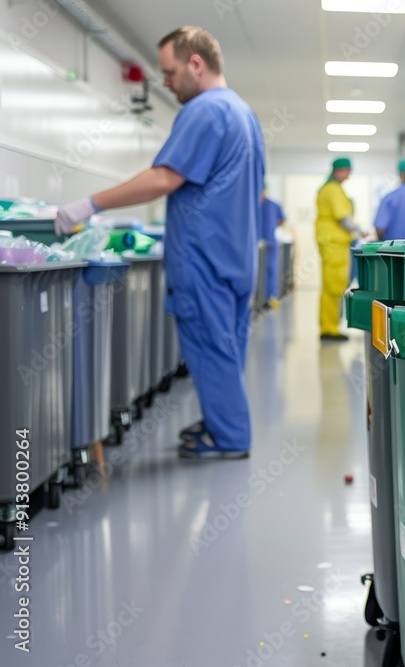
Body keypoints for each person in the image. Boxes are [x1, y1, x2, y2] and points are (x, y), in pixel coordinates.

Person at [54, 26, 264, 460]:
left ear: (196, 63)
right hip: (236, 257)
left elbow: (165, 177)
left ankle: (230, 438)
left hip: (204, 259)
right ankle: (222, 423)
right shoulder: (243, 113)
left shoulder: (205, 111)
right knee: (226, 349)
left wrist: (89, 204)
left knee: (210, 347)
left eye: (169, 72)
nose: (165, 82)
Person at [315, 157, 358, 342]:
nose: (348, 174)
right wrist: (360, 231)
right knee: (334, 287)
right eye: (346, 170)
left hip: (334, 242)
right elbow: (343, 218)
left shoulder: (331, 188)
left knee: (332, 286)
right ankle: (329, 329)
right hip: (334, 243)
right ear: (338, 170)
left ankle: (329, 326)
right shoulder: (333, 189)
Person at [260, 183, 286, 309]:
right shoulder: (253, 205)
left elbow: (282, 220)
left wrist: (273, 228)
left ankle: (270, 298)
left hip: (270, 241)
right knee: (257, 272)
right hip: (257, 243)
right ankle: (256, 299)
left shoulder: (273, 205)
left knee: (271, 269)